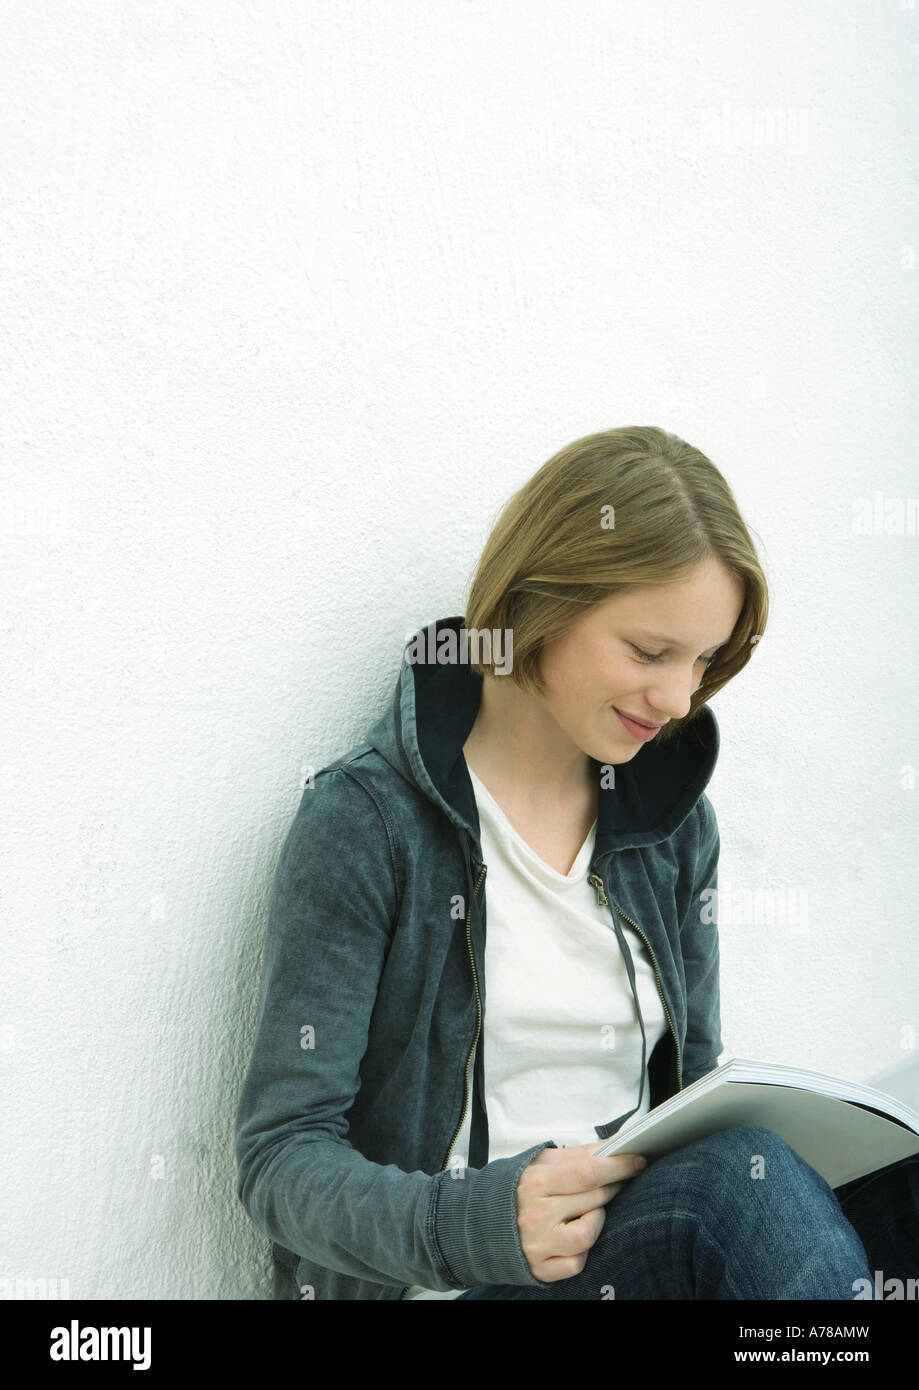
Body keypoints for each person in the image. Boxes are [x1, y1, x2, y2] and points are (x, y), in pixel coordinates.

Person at [234, 425, 919, 1301]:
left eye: (703, 662)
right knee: (728, 1185)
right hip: (459, 1283)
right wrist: (475, 1221)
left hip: (635, 1259)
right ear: (537, 606)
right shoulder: (368, 824)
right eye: (648, 652)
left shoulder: (670, 826)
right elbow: (279, 1160)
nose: (676, 700)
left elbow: (698, 1099)